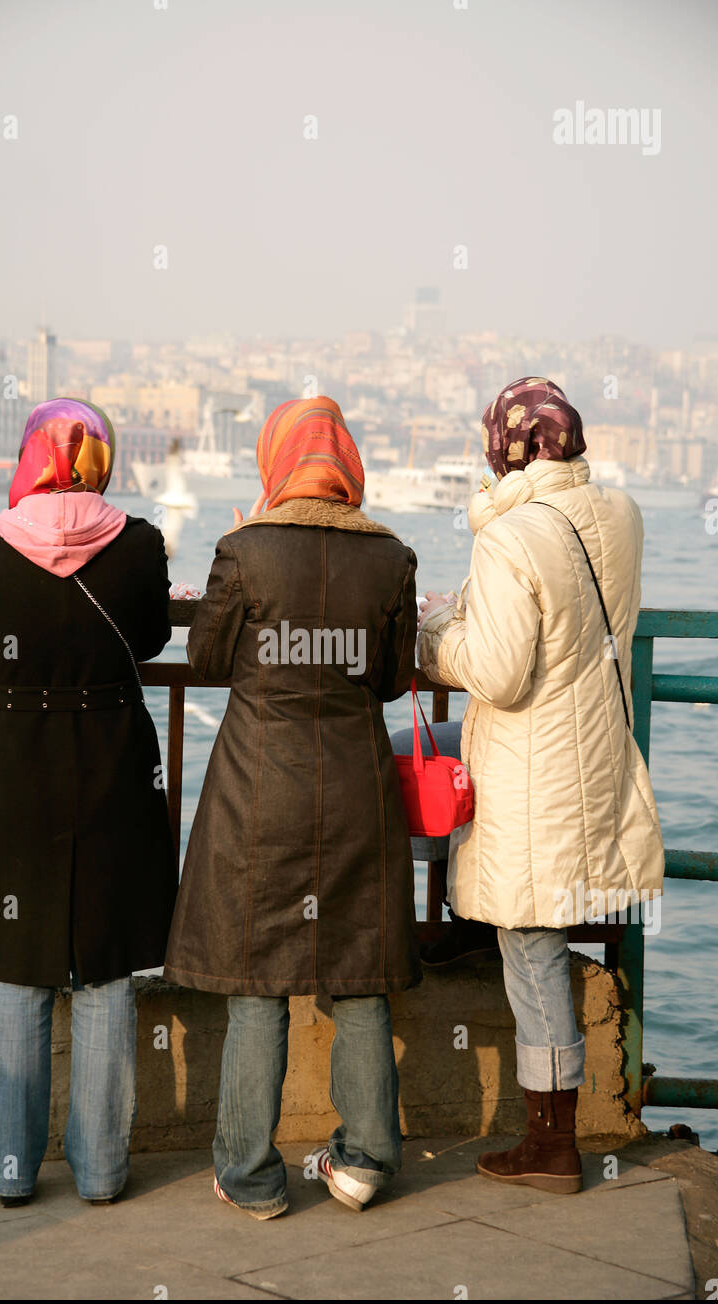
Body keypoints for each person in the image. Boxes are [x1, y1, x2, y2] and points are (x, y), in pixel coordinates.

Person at [164, 396, 420, 1218]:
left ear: (278, 460)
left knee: (255, 980)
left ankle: (250, 1176)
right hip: (355, 793)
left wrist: (241, 548)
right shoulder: (392, 558)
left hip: (259, 792)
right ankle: (365, 1163)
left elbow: (206, 661)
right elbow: (388, 679)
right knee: (361, 977)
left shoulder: (246, 550)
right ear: (346, 464)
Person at [417, 376, 664, 1193]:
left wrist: (436, 635)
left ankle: (551, 1146)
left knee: (531, 951)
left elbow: (496, 672)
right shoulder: (621, 514)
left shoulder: (511, 538)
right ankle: (552, 1132)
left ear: (503, 448)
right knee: (543, 942)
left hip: (533, 776)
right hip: (593, 759)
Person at [0, 397, 176, 1206]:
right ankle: (104, 1171)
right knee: (106, 969)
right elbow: (149, 641)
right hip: (113, 765)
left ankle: (8, 1167)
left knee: (21, 965)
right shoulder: (139, 542)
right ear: (100, 459)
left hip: (18, 771)